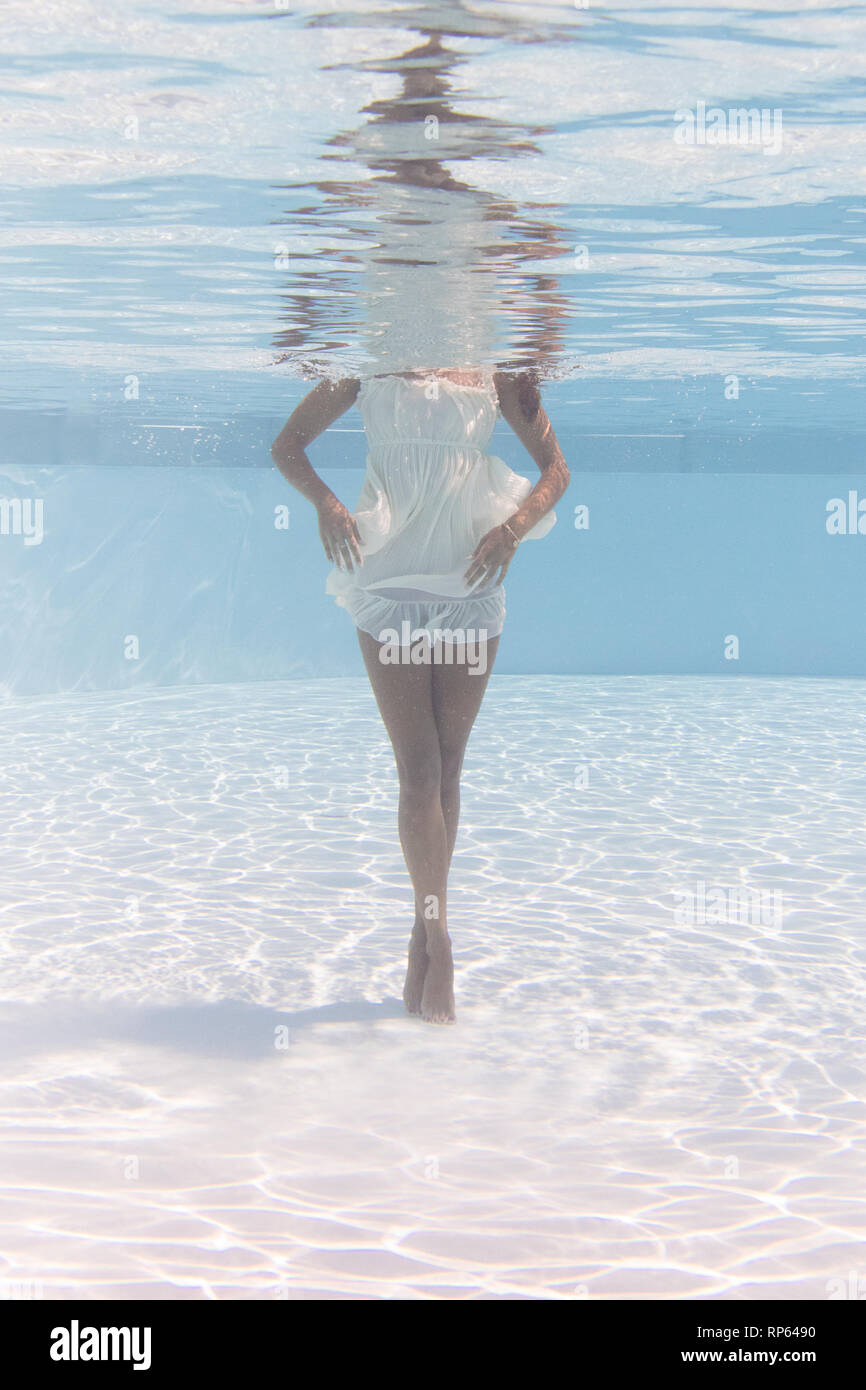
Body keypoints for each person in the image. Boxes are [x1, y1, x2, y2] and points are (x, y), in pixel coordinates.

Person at [271, 366, 569, 1023]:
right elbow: (287, 446)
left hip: (472, 586)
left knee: (448, 772)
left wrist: (514, 528)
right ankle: (437, 938)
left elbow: (557, 472)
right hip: (389, 588)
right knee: (419, 774)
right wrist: (327, 503)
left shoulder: (499, 370)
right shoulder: (363, 365)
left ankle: (423, 917)